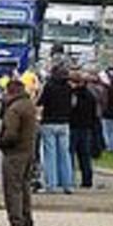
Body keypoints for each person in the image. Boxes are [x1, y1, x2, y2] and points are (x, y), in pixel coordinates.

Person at [0, 79, 37, 226]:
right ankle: (27, 222)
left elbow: (11, 133)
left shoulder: (14, 109)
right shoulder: (29, 105)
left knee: (12, 189)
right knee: (24, 188)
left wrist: (3, 143)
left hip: (15, 153)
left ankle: (16, 223)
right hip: (28, 151)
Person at [36, 64, 74, 194]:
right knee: (65, 154)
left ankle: (51, 184)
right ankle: (68, 184)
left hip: (49, 122)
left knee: (49, 155)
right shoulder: (68, 88)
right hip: (64, 123)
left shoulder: (49, 87)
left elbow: (40, 102)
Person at [69, 72, 98, 189]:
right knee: (85, 155)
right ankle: (87, 179)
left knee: (70, 154)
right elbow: (93, 112)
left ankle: (70, 178)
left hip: (73, 127)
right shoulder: (90, 95)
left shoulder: (73, 95)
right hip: (86, 128)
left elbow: (70, 110)